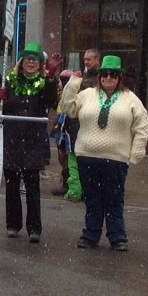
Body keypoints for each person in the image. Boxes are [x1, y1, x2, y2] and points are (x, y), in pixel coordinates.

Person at [60, 55, 148, 251]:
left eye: (113, 75)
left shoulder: (130, 99)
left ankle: (118, 237)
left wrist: (136, 153)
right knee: (92, 199)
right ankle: (90, 235)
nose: (108, 78)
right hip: (87, 157)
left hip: (116, 160)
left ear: (119, 78)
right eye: (105, 75)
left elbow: (141, 126)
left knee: (114, 200)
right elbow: (67, 108)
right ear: (99, 76)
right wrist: (74, 83)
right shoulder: (87, 94)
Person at [0, 44, 61, 243]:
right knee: (12, 185)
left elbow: (51, 102)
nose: (31, 63)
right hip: (12, 139)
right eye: (27, 59)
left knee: (32, 185)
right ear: (21, 62)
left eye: (35, 59)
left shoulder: (44, 82)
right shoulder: (9, 81)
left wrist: (50, 77)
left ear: (40, 64)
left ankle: (34, 228)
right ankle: (13, 224)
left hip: (33, 140)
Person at [57, 49, 101, 200]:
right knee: (71, 155)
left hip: (91, 123)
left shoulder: (102, 78)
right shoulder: (83, 76)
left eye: (89, 59)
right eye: (85, 59)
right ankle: (73, 186)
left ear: (97, 60)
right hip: (75, 122)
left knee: (83, 158)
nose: (86, 62)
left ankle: (85, 189)